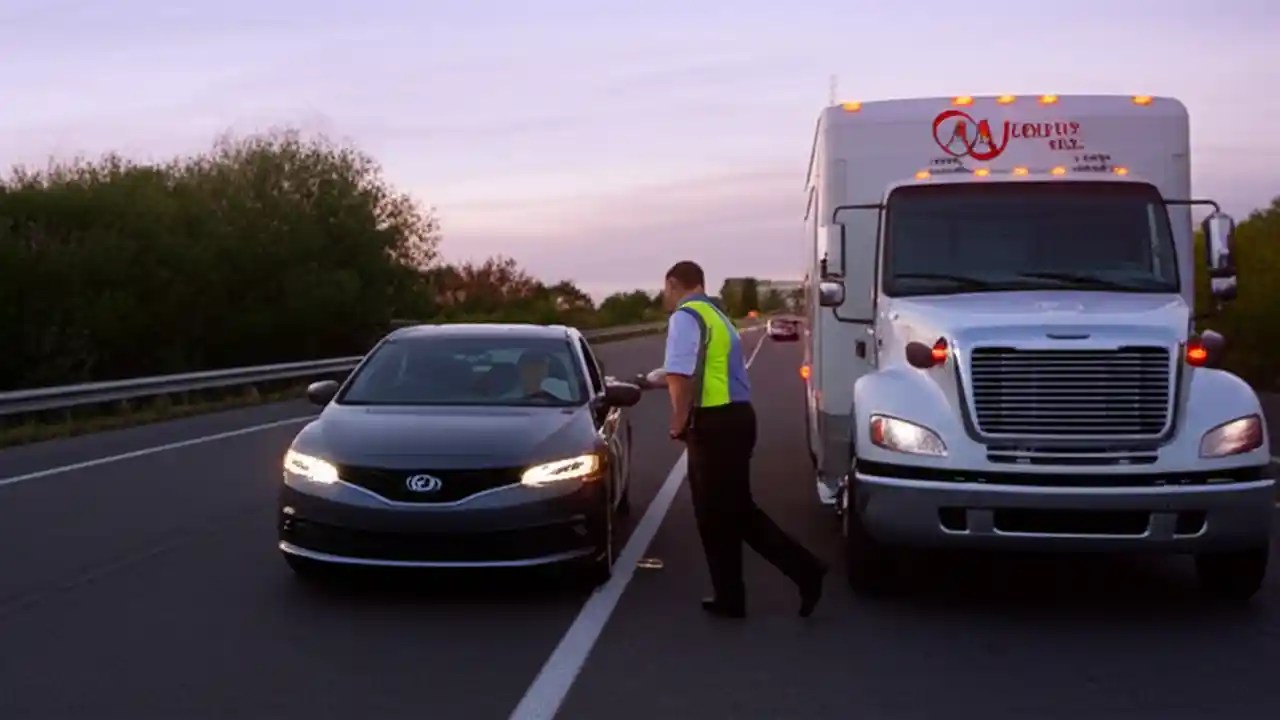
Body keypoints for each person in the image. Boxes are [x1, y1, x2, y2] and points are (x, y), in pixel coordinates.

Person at [660, 260, 827, 618]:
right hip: (735, 419)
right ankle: (730, 595)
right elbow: (704, 366)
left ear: (675, 284)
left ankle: (806, 571)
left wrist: (678, 421)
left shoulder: (685, 317)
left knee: (731, 512)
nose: (665, 296)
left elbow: (681, 373)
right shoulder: (717, 316)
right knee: (717, 513)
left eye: (666, 289)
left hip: (714, 423)